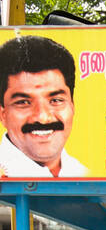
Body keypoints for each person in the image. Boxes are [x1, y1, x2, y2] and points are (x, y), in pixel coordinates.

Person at [0, 34, 89, 178]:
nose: (42, 118)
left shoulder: (83, 174)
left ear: (72, 106)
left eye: (56, 100)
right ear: (3, 114)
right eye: (23, 102)